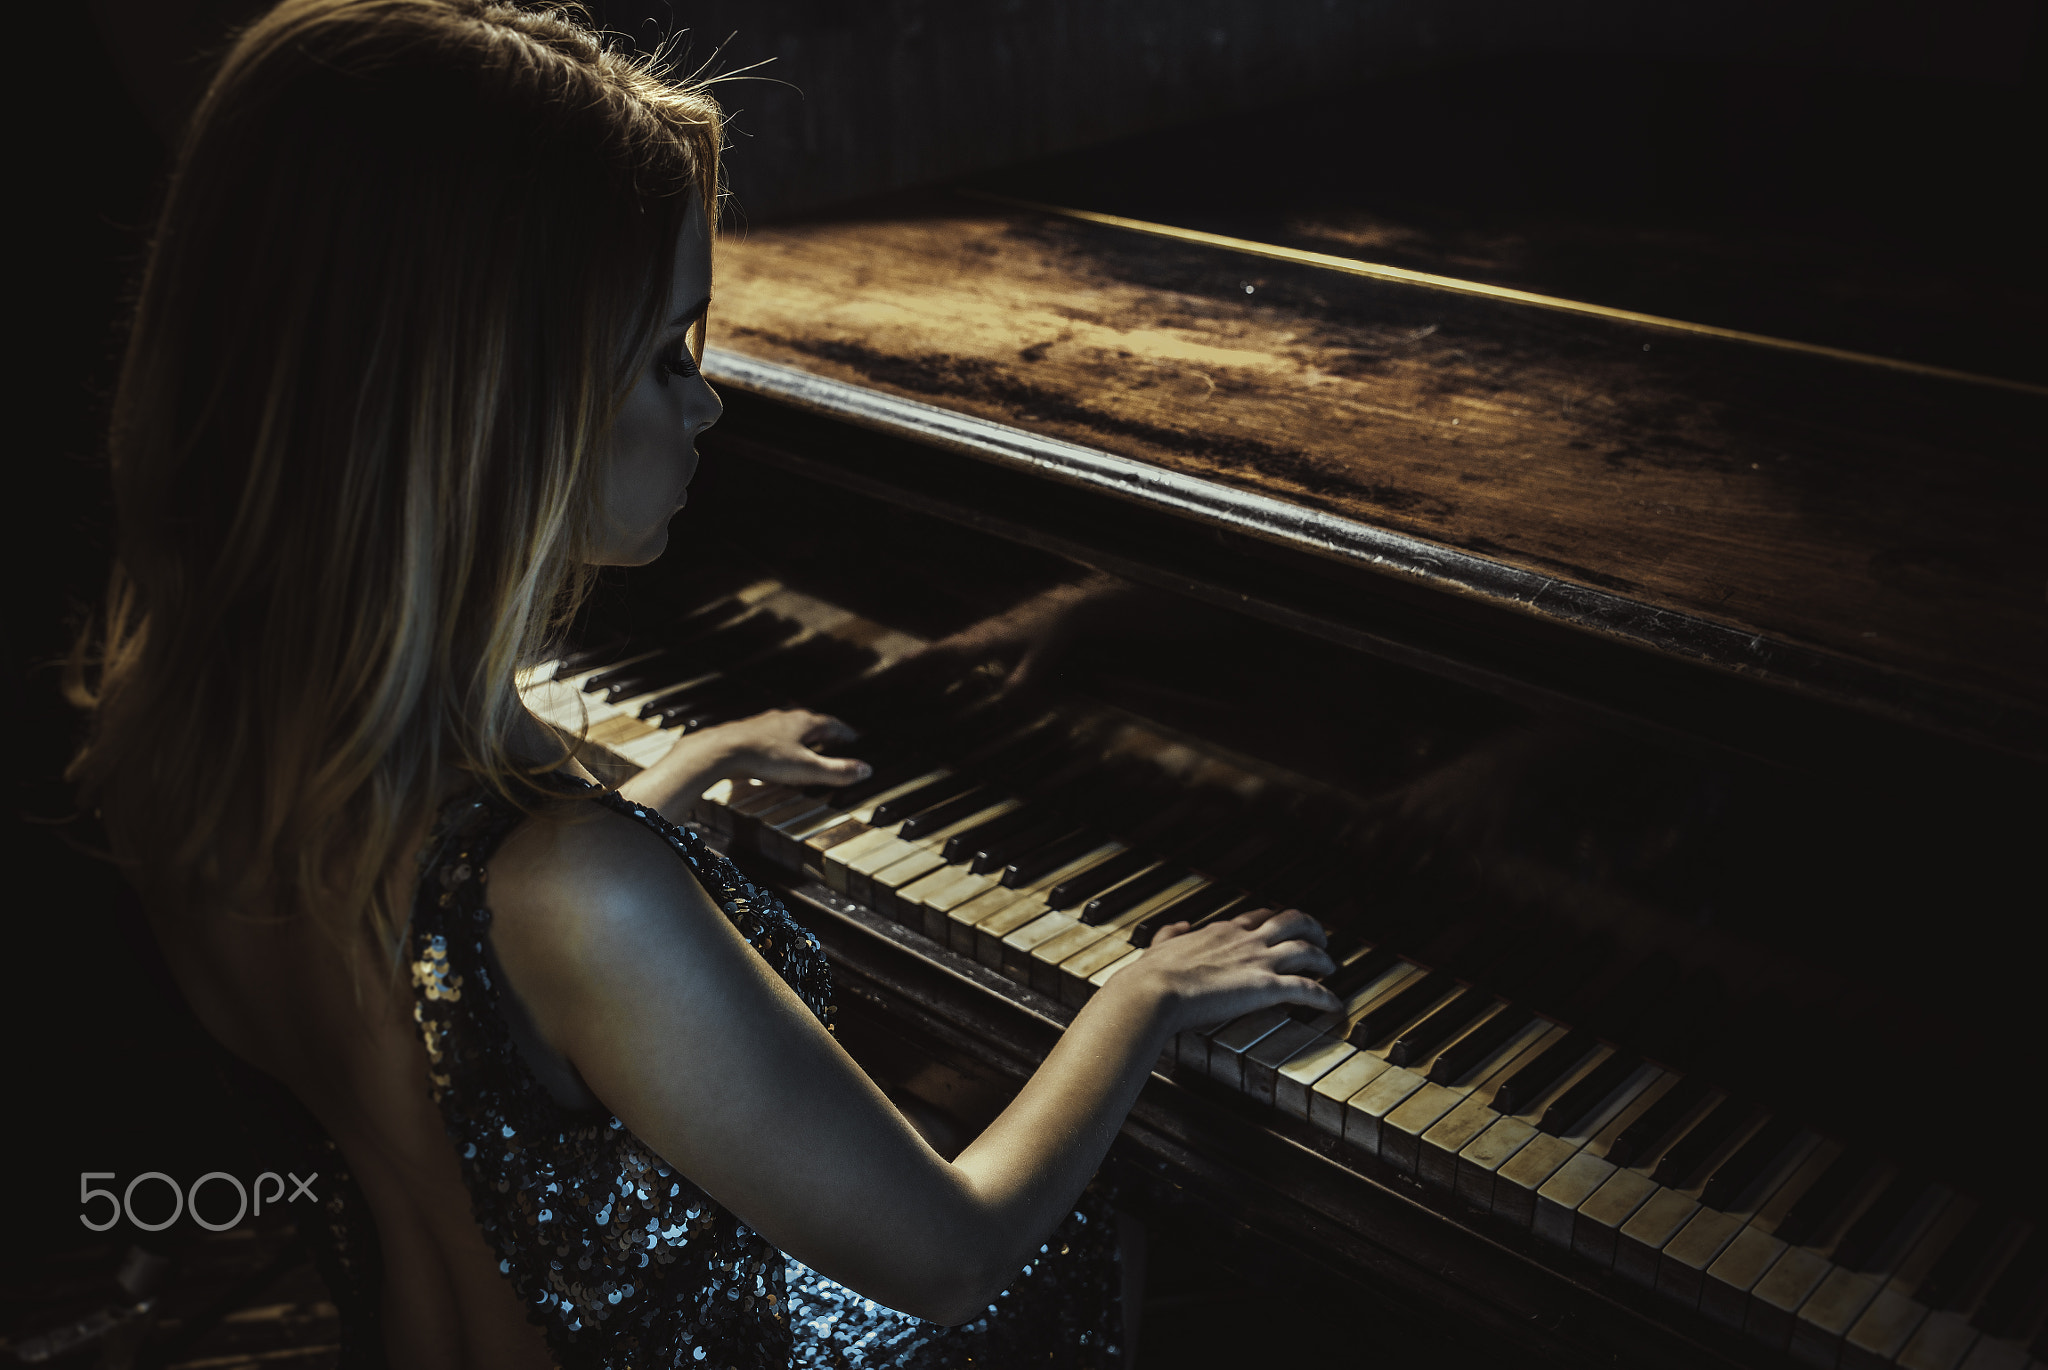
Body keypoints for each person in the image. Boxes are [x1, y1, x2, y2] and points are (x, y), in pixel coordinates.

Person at [65, 2, 1343, 1366]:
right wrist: (1138, 996)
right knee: (1138, 1248)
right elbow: (952, 1251)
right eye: (669, 351)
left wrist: (672, 781)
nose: (707, 404)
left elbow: (454, 1002)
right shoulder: (573, 887)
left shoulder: (185, 751)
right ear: (496, 397)